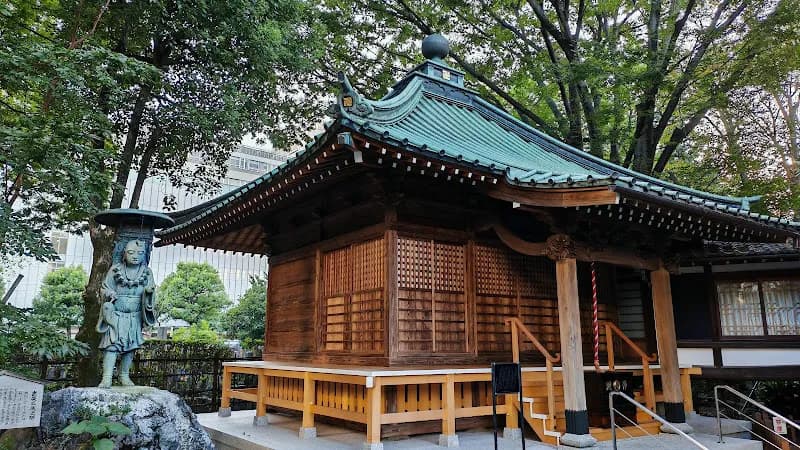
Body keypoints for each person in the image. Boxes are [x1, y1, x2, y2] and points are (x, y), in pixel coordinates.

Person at [96, 239, 156, 387]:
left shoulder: (147, 272)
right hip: (116, 314)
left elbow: (151, 290)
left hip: (135, 315)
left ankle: (124, 376)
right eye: (131, 252)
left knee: (131, 346)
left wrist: (149, 292)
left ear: (144, 255)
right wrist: (109, 293)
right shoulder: (115, 270)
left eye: (140, 253)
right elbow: (105, 287)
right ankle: (107, 377)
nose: (135, 256)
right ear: (124, 254)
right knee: (112, 345)